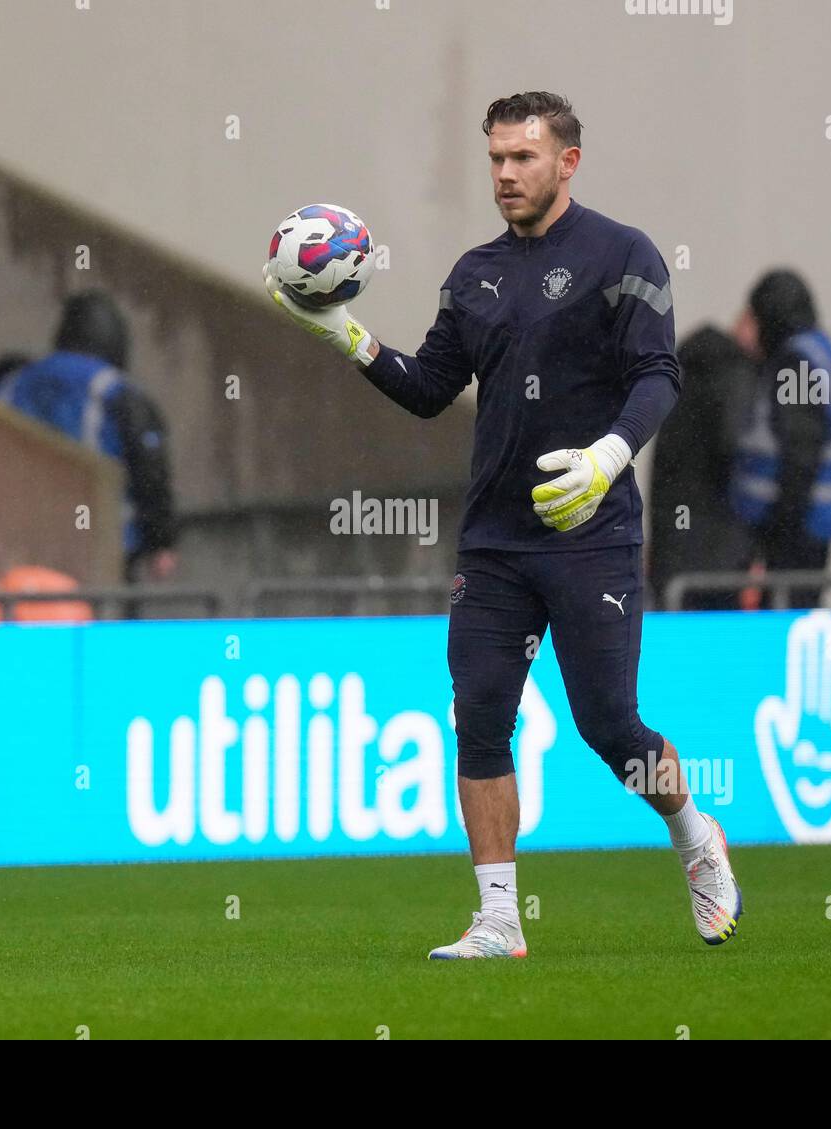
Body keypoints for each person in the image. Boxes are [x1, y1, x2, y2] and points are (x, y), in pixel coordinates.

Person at [264, 91, 743, 957]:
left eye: (523, 157)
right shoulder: (474, 274)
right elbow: (427, 390)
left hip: (592, 534)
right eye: (495, 159)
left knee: (611, 729)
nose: (505, 174)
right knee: (479, 717)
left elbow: (658, 375)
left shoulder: (622, 255)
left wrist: (606, 456)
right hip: (493, 542)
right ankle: (497, 919)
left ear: (568, 162)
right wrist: (346, 336)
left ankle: (694, 835)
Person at [1, 291, 179, 583]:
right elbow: (151, 470)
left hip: (16, 542)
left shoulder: (15, 380)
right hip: (101, 548)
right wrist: (161, 542)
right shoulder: (116, 393)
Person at [729, 271, 831, 609]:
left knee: (784, 616)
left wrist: (779, 530)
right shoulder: (820, 351)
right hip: (812, 520)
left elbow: (801, 452)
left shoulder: (796, 360)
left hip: (796, 525)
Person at [649, 325, 755, 610]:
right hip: (724, 556)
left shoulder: (678, 391)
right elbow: (737, 459)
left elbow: (665, 482)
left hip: (674, 551)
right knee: (726, 641)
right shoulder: (737, 379)